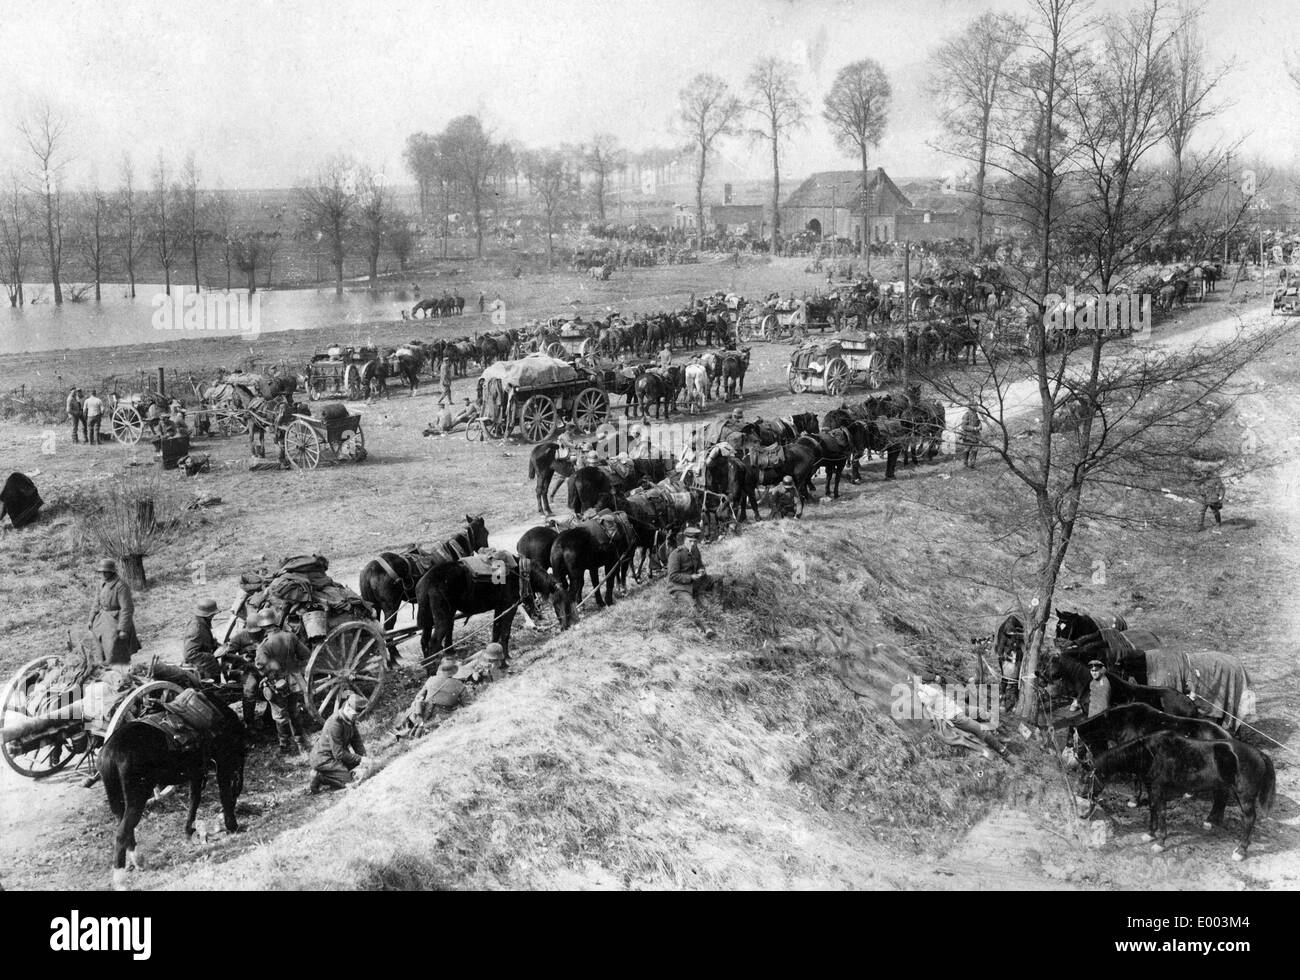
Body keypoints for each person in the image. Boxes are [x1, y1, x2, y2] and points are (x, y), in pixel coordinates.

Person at [251, 610, 314, 755]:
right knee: (294, 711)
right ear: (275, 621)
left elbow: (260, 667)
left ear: (262, 627)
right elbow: (306, 654)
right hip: (294, 681)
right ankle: (301, 743)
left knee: (279, 715)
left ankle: (285, 746)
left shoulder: (263, 646)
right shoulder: (290, 637)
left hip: (276, 685)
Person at [914, 675, 1011, 761]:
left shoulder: (934, 687)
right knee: (978, 729)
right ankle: (1005, 753)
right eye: (934, 680)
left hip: (957, 707)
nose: (937, 681)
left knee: (981, 712)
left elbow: (958, 692)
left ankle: (998, 735)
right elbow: (931, 700)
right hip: (953, 716)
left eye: (936, 680)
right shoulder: (922, 693)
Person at [309, 693, 370, 793]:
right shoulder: (335, 723)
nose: (356, 717)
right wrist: (360, 759)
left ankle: (333, 773)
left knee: (357, 768)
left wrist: (364, 757)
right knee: (350, 780)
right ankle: (318, 776)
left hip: (335, 755)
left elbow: (356, 740)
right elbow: (339, 754)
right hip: (323, 758)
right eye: (355, 714)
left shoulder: (350, 718)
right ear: (347, 707)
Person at [395, 657, 467, 738]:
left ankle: (404, 728)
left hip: (423, 712)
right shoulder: (459, 685)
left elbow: (418, 696)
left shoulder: (431, 680)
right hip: (441, 716)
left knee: (415, 711)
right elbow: (467, 704)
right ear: (455, 672)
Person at [89, 558, 141, 666]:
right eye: (101, 572)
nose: (103, 574)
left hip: (116, 619)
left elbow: (127, 608)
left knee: (114, 647)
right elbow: (96, 602)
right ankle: (102, 666)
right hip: (103, 618)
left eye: (105, 571)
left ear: (111, 571)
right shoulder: (101, 584)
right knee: (98, 643)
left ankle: (119, 669)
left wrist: (123, 629)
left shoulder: (121, 586)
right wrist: (91, 618)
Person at [666, 526, 718, 617]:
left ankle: (716, 605)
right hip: (680, 587)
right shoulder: (676, 554)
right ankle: (704, 627)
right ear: (685, 540)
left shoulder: (695, 550)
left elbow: (700, 564)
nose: (693, 544)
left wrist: (701, 570)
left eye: (695, 541)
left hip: (695, 583)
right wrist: (690, 577)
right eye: (690, 541)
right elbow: (673, 576)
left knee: (718, 579)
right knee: (692, 606)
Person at [181, 598, 221, 682]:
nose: (214, 616)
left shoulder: (201, 621)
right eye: (213, 614)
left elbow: (202, 640)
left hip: (203, 663)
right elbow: (189, 654)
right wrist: (211, 657)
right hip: (200, 668)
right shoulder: (196, 628)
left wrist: (215, 644)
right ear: (208, 614)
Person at [959, 403, 981, 469]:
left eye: (976, 405)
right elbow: (964, 426)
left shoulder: (976, 414)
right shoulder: (966, 415)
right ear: (970, 406)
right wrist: (974, 428)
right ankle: (965, 464)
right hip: (967, 436)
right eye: (975, 405)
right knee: (967, 450)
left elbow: (978, 423)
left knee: (975, 450)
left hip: (975, 435)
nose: (976, 407)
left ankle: (972, 465)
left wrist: (980, 425)